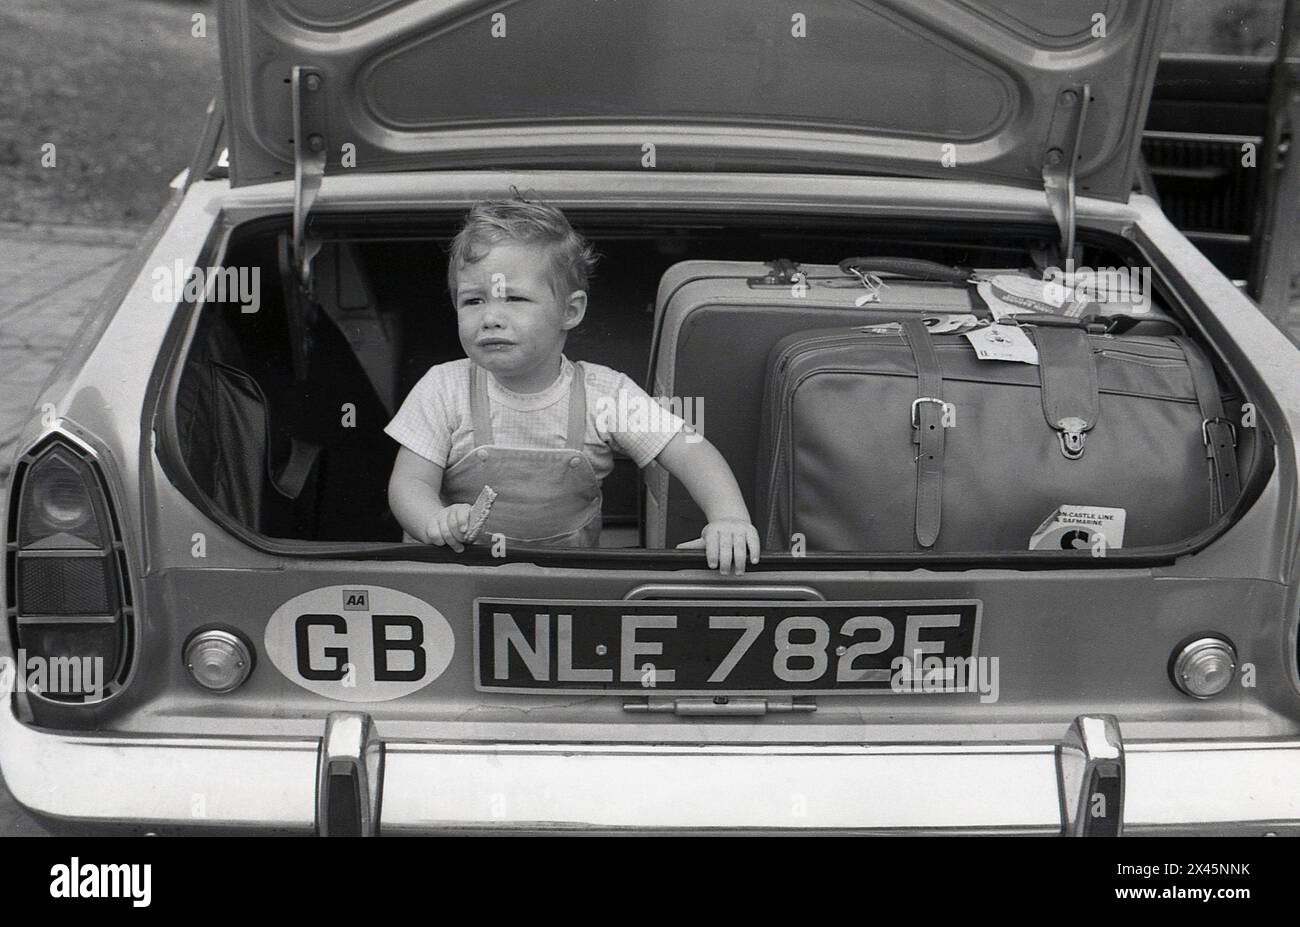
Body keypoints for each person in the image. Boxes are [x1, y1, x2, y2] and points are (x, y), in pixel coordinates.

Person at [385, 197, 760, 574]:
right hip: (452, 578)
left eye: (514, 298)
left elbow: (688, 448)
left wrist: (728, 517)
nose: (491, 317)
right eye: (472, 301)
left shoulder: (606, 393)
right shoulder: (442, 388)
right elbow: (410, 483)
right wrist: (433, 521)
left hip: (566, 586)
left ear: (571, 311)